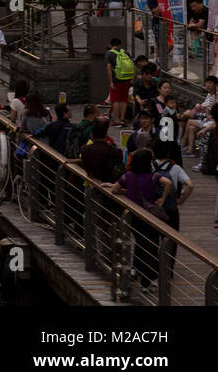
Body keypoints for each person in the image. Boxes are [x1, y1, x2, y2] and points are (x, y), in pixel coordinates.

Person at [106, 148, 172, 290]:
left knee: (140, 244)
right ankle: (147, 280)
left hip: (133, 215)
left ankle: (137, 272)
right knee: (150, 247)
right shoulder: (153, 176)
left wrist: (129, 192)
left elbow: (115, 189)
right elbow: (168, 183)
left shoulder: (128, 176)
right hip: (150, 216)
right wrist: (162, 198)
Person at [73, 120, 123, 184]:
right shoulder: (114, 150)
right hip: (107, 184)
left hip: (89, 182)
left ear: (92, 135)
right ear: (106, 135)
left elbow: (83, 162)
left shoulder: (84, 149)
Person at [105, 37, 136, 126]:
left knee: (115, 100)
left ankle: (116, 120)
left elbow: (109, 68)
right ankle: (122, 119)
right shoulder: (125, 52)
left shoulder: (109, 54)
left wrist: (111, 81)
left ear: (111, 45)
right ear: (119, 45)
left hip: (116, 79)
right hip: (127, 79)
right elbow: (132, 64)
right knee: (123, 99)